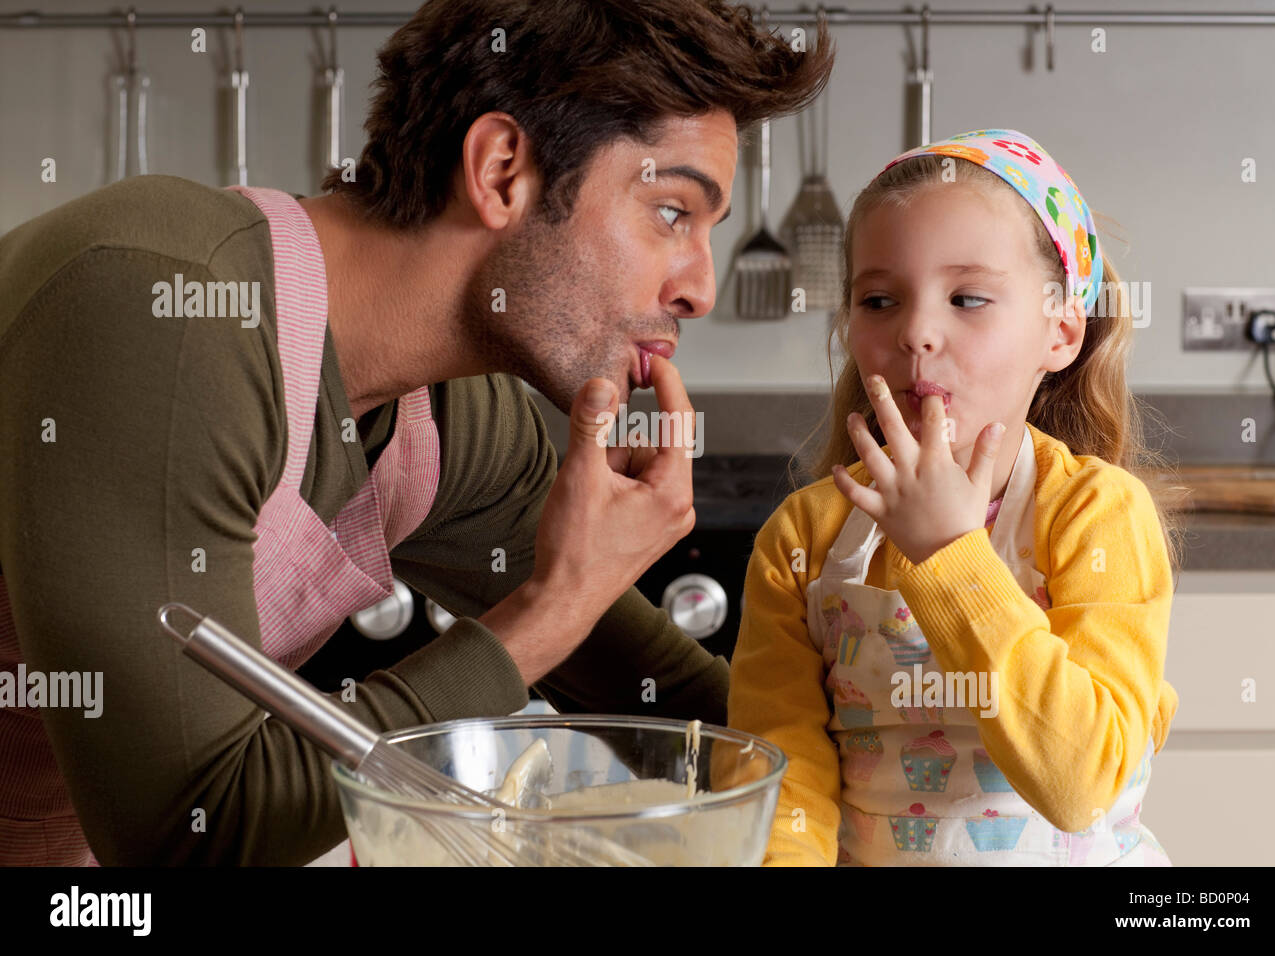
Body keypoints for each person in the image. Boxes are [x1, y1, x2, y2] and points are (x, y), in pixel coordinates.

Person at [0, 0, 834, 865]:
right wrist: (551, 609)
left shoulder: (456, 422)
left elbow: (685, 709)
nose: (699, 286)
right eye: (671, 213)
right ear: (504, 171)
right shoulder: (162, 307)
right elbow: (188, 833)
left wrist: (907, 747)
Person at [728, 129, 1185, 866]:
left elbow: (1079, 783)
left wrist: (950, 554)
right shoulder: (803, 538)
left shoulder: (1098, 516)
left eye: (967, 298)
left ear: (1061, 331)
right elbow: (781, 776)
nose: (915, 333)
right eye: (879, 300)